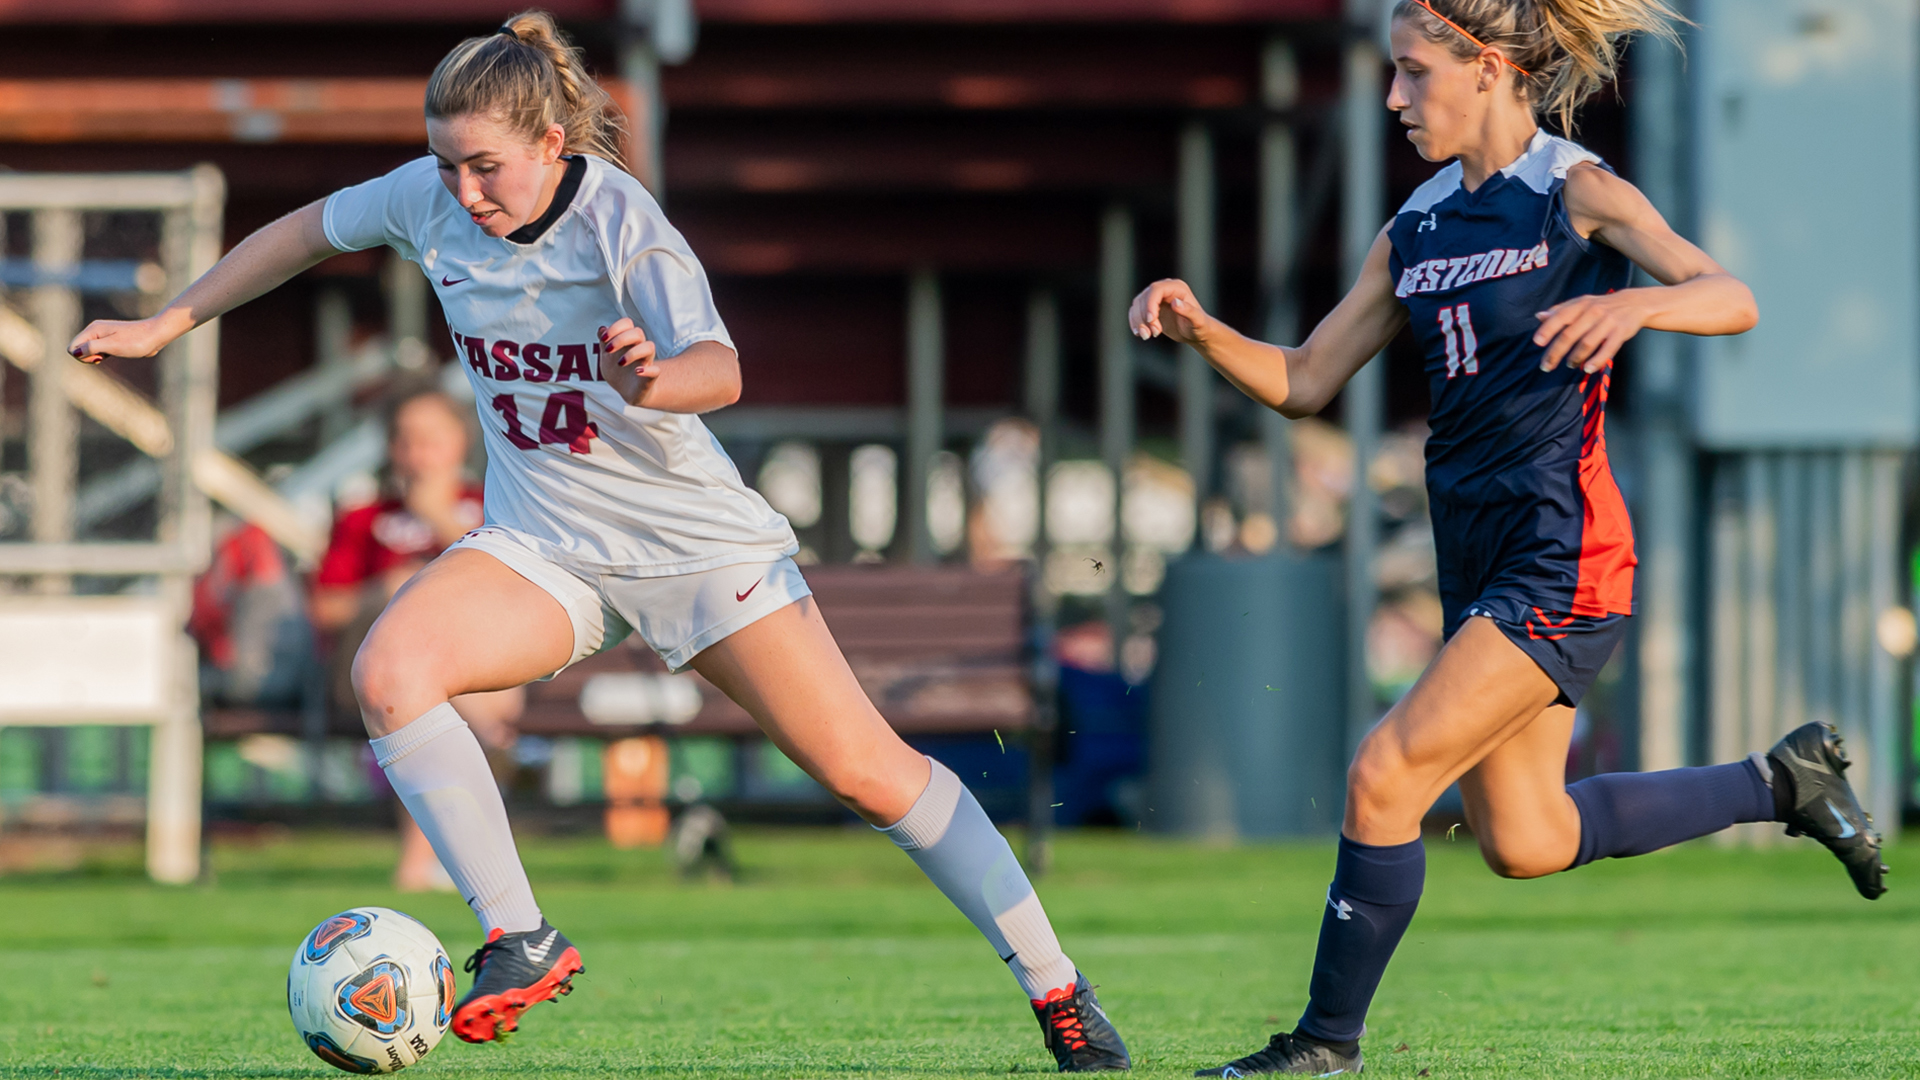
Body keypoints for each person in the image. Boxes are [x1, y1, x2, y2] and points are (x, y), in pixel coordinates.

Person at [68, 10, 1128, 1072]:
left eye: (485, 168)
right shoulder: (429, 197)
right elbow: (305, 231)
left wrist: (654, 381)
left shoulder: (622, 221)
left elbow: (721, 370)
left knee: (868, 774)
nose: (462, 192)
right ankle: (520, 937)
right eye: (445, 164)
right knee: (391, 672)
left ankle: (1058, 988)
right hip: (544, 548)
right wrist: (168, 324)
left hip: (698, 555)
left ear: (550, 144)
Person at [1129, 1, 1885, 1073]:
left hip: (1563, 552)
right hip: (1477, 557)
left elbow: (1730, 296)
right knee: (1527, 841)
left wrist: (1634, 309)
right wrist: (1204, 329)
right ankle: (1781, 783)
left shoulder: (1572, 190)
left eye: (1413, 72)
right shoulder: (1418, 224)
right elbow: (1304, 379)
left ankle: (1323, 1046)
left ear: (1486, 67)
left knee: (1384, 774)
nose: (1395, 97)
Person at [311, 387, 522, 893]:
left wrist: (438, 517)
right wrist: (383, 591)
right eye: (406, 440)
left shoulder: (495, 507)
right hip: (371, 672)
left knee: (436, 695)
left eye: (431, 439)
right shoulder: (364, 517)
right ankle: (490, 736)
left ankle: (417, 865)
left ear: (461, 441)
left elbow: (507, 590)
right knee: (412, 638)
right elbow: (324, 607)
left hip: (469, 664)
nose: (418, 452)